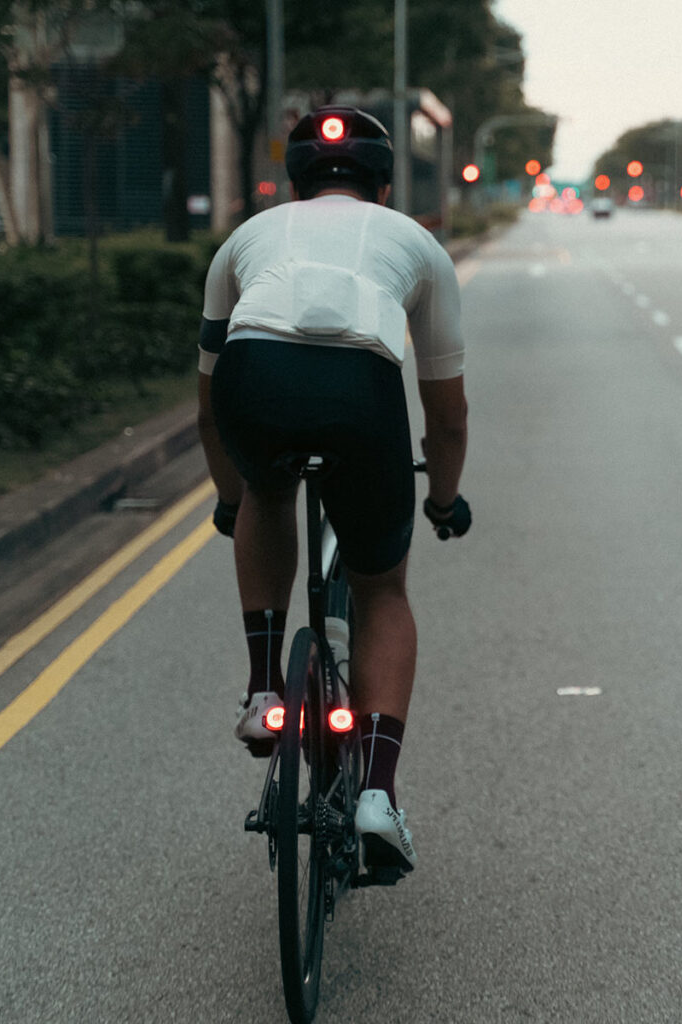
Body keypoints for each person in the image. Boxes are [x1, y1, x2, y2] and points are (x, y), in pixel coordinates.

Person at [195, 106, 471, 877]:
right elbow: (446, 417)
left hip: (253, 376)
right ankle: (377, 797)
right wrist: (443, 502)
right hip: (360, 388)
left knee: (266, 492)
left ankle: (261, 693)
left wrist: (230, 496)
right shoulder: (417, 243)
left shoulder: (246, 238)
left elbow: (205, 404)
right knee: (382, 588)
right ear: (384, 185)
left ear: (294, 183)